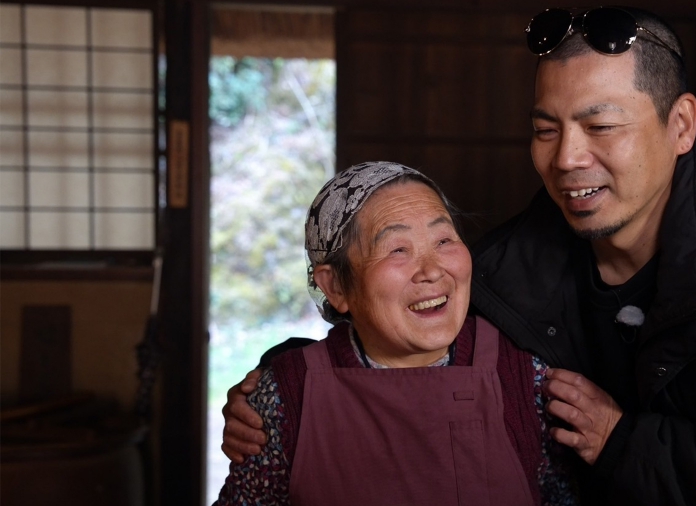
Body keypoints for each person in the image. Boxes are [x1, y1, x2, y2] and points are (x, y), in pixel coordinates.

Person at [222, 6, 696, 505]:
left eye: (600, 125)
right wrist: (283, 384)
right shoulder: (514, 264)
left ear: (681, 125)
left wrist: (623, 442)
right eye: (546, 129)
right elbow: (409, 331)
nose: (567, 158)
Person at [213, 161, 578, 505]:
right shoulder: (286, 392)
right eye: (398, 249)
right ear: (336, 286)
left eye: (444, 241)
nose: (432, 271)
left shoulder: (523, 373)